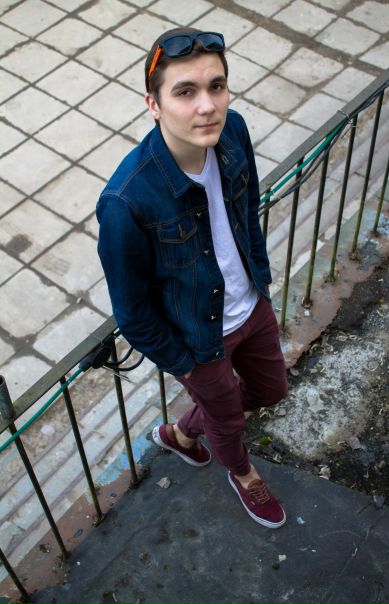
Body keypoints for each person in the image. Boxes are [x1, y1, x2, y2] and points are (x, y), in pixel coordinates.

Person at [96, 27, 288, 528]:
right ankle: (242, 472)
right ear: (154, 105)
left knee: (271, 390)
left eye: (216, 86)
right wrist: (186, 364)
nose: (208, 106)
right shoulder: (125, 202)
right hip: (198, 340)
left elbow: (248, 208)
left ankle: (181, 434)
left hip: (251, 304)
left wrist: (261, 280)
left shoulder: (233, 131)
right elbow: (132, 313)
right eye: (185, 92)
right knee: (228, 421)